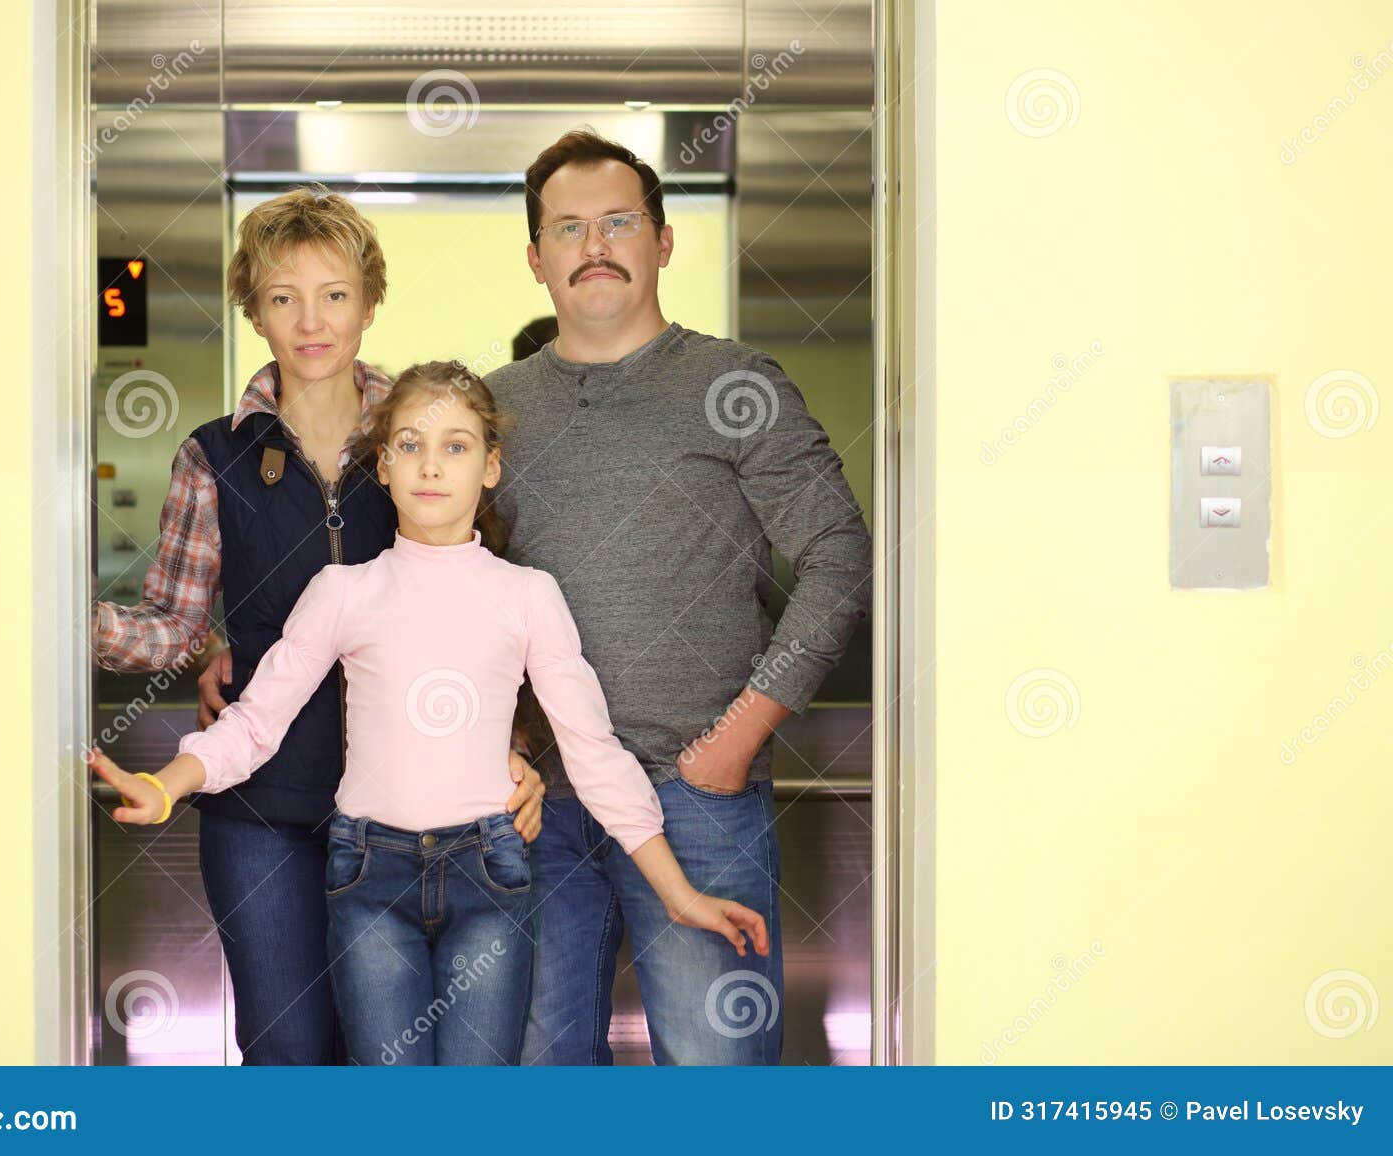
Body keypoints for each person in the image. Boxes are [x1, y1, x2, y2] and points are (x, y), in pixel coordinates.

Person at [90, 360, 769, 1065]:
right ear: (381, 467)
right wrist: (167, 783)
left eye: (456, 445)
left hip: (491, 874)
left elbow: (594, 755)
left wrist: (678, 893)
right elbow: (257, 722)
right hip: (367, 878)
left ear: (492, 467)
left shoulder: (528, 595)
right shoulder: (343, 592)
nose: (431, 466)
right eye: (410, 445)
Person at [92, 188, 544, 1066]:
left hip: (418, 817)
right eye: (283, 296)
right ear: (253, 309)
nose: (312, 320)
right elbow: (175, 625)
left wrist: (519, 744)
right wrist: (38, 620)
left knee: (401, 1061)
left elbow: (493, 619)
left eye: (335, 294)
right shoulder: (212, 454)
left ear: (370, 304)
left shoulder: (420, 437)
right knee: (288, 1052)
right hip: (262, 810)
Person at [485, 130, 873, 1065]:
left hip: (697, 798)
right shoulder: (492, 409)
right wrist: (497, 744)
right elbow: (451, 592)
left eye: (620, 221)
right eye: (569, 229)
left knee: (717, 1081)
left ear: (663, 240)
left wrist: (739, 736)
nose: (596, 244)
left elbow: (838, 557)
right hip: (539, 802)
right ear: (537, 259)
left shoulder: (732, 386)